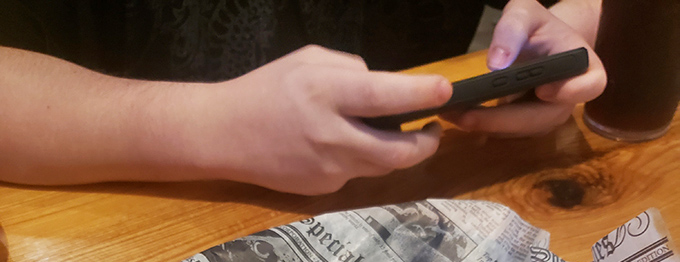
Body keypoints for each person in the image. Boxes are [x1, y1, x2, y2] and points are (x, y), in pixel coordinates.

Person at [0, 0, 605, 193]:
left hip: (437, 184)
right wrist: (209, 124)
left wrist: (559, 37)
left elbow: (590, 6)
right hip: (122, 212)